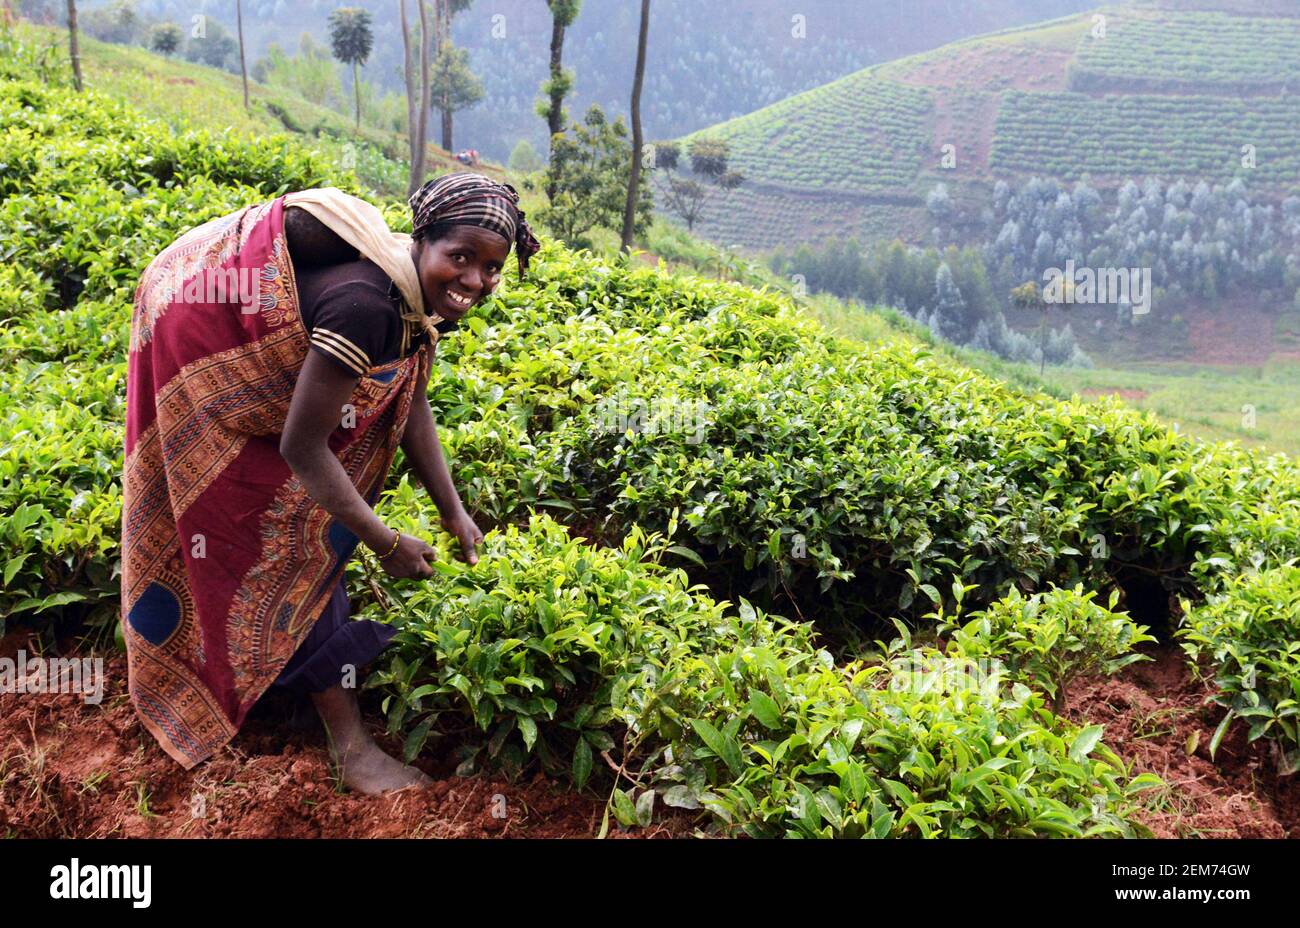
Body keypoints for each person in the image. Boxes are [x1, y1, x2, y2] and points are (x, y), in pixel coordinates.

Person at [121, 173, 541, 794]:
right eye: (461, 257)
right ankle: (351, 748)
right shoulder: (368, 306)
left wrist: (452, 509)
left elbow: (410, 394)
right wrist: (384, 541)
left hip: (262, 354)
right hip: (195, 338)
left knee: (316, 518)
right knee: (300, 531)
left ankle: (277, 673)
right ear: (421, 241)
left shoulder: (415, 296)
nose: (475, 282)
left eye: (492, 267)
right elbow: (302, 447)